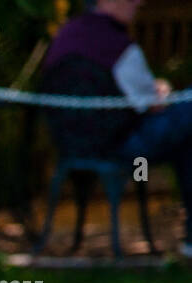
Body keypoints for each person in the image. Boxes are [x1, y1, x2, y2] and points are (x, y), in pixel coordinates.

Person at [44, 0, 192, 256]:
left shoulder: (65, 35)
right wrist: (162, 91)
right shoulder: (115, 44)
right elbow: (153, 104)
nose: (137, 3)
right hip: (120, 144)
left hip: (69, 144)